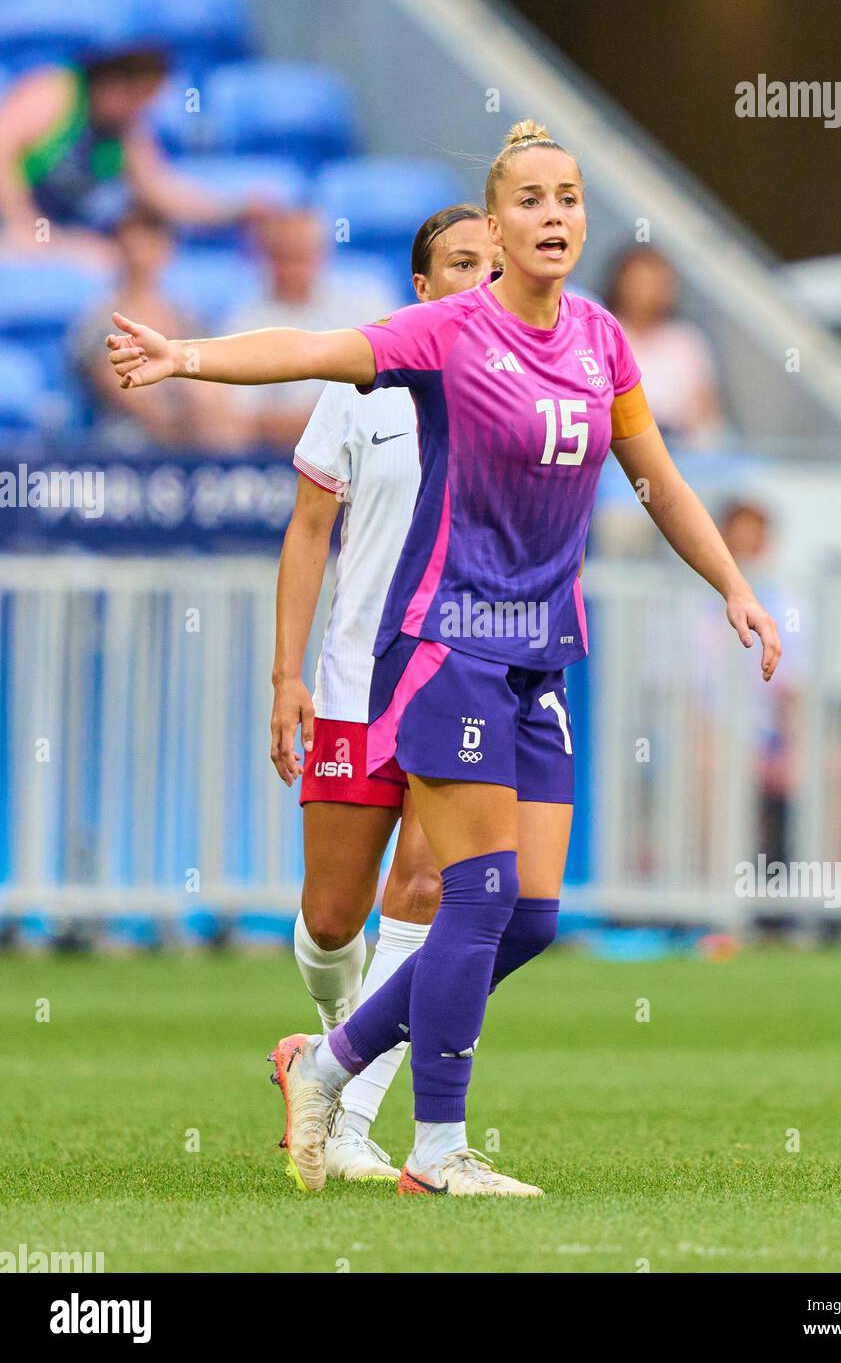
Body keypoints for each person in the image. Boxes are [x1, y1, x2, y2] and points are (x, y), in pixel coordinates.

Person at [106, 119, 781, 1199]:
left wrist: (733, 585)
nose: (552, 216)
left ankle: (326, 1063)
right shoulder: (451, 332)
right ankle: (436, 1149)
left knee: (532, 915)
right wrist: (187, 356)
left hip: (539, 652)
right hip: (446, 641)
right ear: (496, 224)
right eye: (529, 201)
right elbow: (317, 351)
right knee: (468, 893)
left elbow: (652, 475)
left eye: (567, 197)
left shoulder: (605, 341)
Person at [269, 203, 503, 1181]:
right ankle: (324, 1048)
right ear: (420, 287)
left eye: (494, 267)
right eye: (460, 264)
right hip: (356, 679)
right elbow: (310, 530)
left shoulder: (520, 391)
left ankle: (352, 1114)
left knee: (427, 890)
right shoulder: (364, 382)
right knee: (333, 916)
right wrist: (287, 674)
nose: (481, 282)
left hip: (458, 680)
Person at [0, 49, 263, 261]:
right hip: (13, 227)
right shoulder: (58, 91)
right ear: (111, 80)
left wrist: (233, 210)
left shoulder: (127, 129)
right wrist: (24, 224)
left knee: (112, 257)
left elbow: (161, 191)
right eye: (134, 96)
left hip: (53, 236)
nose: (137, 109)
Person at [222, 209, 399, 449]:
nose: (292, 267)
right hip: (275, 458)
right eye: (282, 256)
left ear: (322, 254)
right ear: (264, 257)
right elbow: (242, 417)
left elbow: (391, 384)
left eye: (302, 255)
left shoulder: (365, 302)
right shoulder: (243, 321)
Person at [71, 204, 234, 452]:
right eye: (134, 242)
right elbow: (118, 386)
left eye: (152, 240)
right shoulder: (98, 319)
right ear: (119, 247)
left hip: (192, 426)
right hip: (125, 432)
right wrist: (168, 424)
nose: (142, 252)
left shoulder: (186, 315)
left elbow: (211, 379)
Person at [603, 244, 722, 449]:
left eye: (655, 283)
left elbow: (705, 412)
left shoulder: (686, 340)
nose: (647, 293)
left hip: (679, 449)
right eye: (639, 283)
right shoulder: (600, 335)